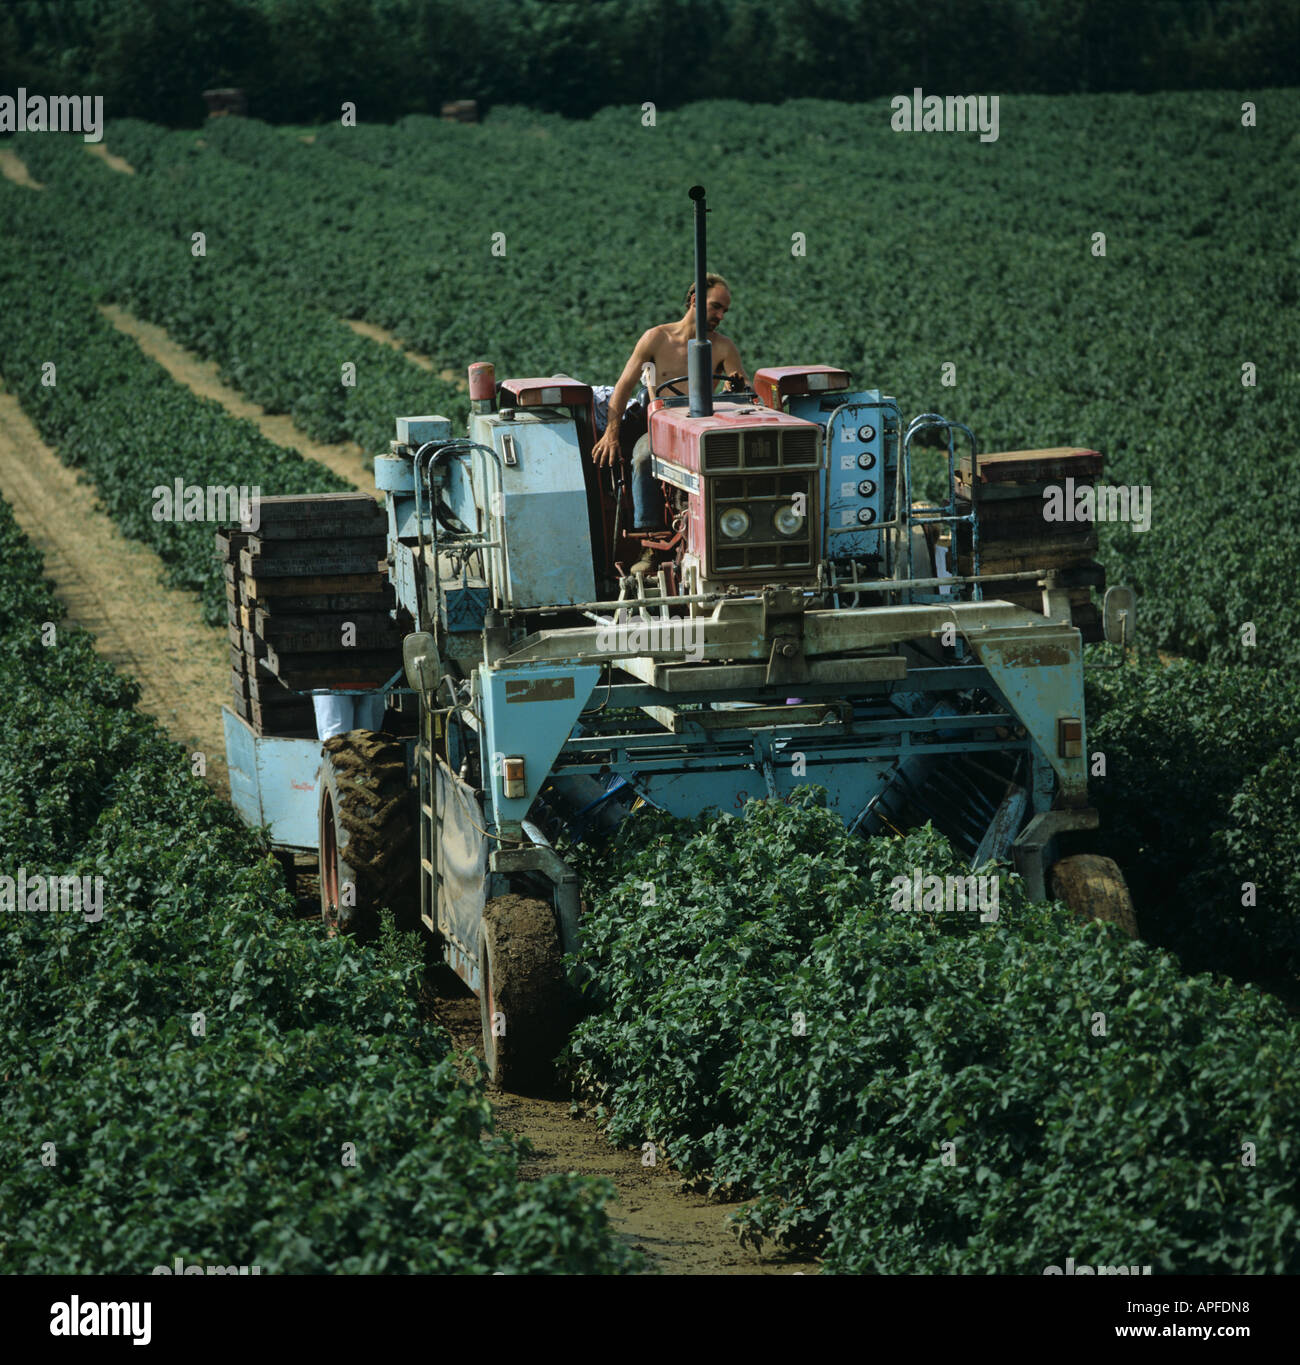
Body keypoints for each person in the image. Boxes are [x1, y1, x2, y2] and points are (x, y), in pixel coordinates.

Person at [590, 274, 749, 528]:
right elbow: (623, 386)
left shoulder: (724, 348)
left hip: (703, 428)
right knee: (643, 456)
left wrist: (737, 387)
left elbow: (743, 394)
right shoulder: (656, 338)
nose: (721, 316)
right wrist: (611, 432)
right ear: (695, 300)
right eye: (716, 307)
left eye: (725, 311)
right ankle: (649, 538)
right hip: (662, 427)